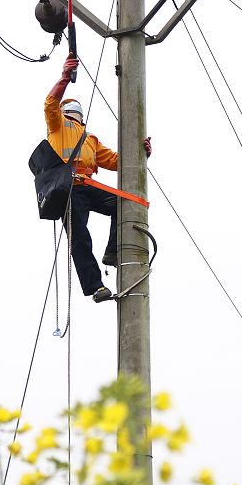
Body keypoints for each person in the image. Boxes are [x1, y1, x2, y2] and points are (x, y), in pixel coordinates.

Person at [45, 54, 151, 302]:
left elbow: (116, 161)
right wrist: (64, 78)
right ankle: (95, 286)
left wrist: (140, 153)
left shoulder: (89, 138)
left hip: (87, 185)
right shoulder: (57, 125)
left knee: (122, 204)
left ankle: (112, 251)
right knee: (80, 238)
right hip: (69, 188)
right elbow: (50, 104)